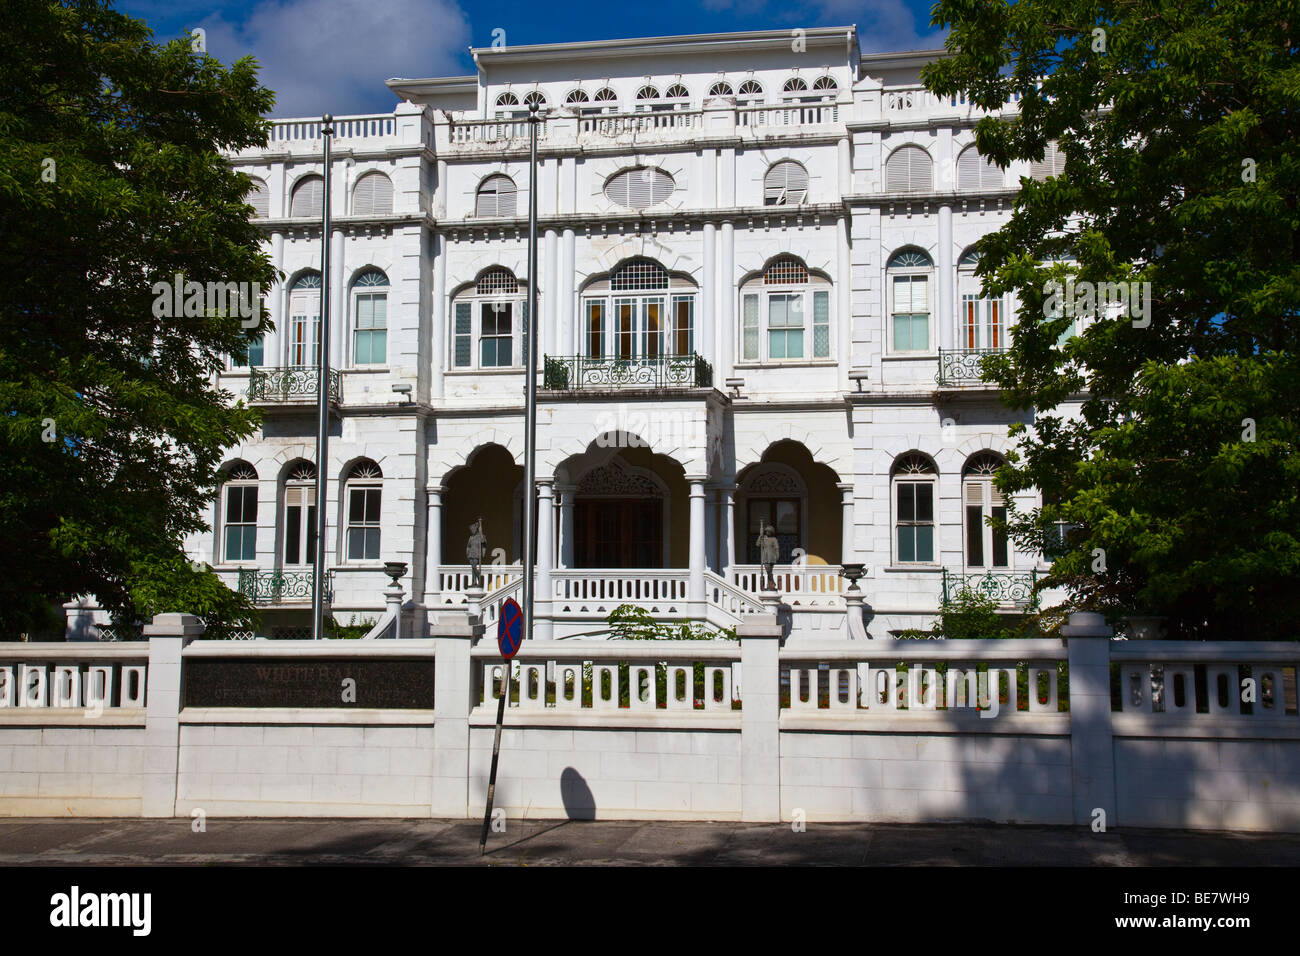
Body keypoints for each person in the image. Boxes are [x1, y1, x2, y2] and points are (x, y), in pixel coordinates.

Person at [757, 522, 780, 590]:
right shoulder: (763, 538)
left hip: (771, 556)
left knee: (770, 570)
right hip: (765, 556)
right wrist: (760, 536)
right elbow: (758, 544)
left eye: (769, 532)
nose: (768, 533)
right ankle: (772, 582)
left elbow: (776, 548)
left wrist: (777, 555)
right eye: (767, 531)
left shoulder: (774, 539)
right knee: (768, 570)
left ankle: (769, 585)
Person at [467, 517, 487, 588]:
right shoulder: (471, 537)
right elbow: (468, 546)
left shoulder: (480, 536)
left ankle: (478, 578)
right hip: (471, 554)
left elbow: (483, 542)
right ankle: (474, 581)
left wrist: (481, 535)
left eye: (473, 529)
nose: (472, 531)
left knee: (474, 567)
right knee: (472, 568)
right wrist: (467, 552)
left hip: (477, 554)